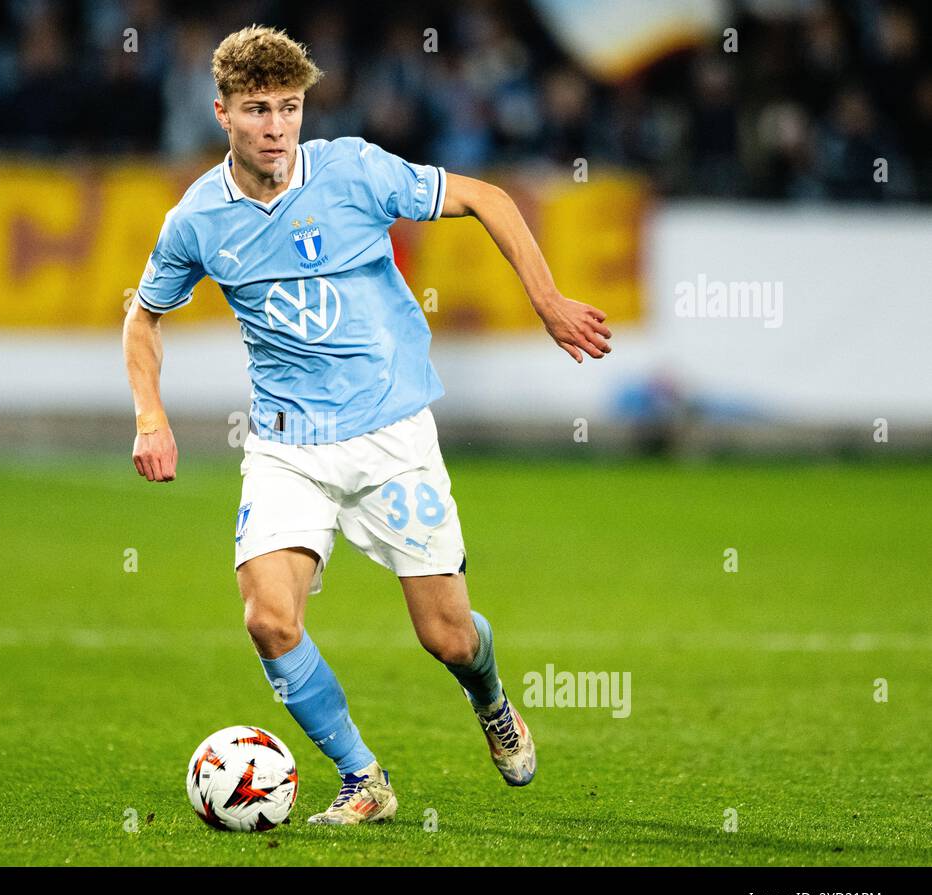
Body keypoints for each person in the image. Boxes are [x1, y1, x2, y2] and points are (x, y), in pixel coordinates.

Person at [122, 25, 612, 825]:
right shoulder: (197, 220)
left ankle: (489, 697)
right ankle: (364, 779)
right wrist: (152, 418)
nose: (277, 127)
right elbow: (142, 320)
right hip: (285, 448)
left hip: (392, 439)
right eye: (257, 110)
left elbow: (487, 197)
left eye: (288, 107)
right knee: (269, 619)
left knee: (449, 637)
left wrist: (549, 301)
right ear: (222, 114)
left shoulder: (355, 170)